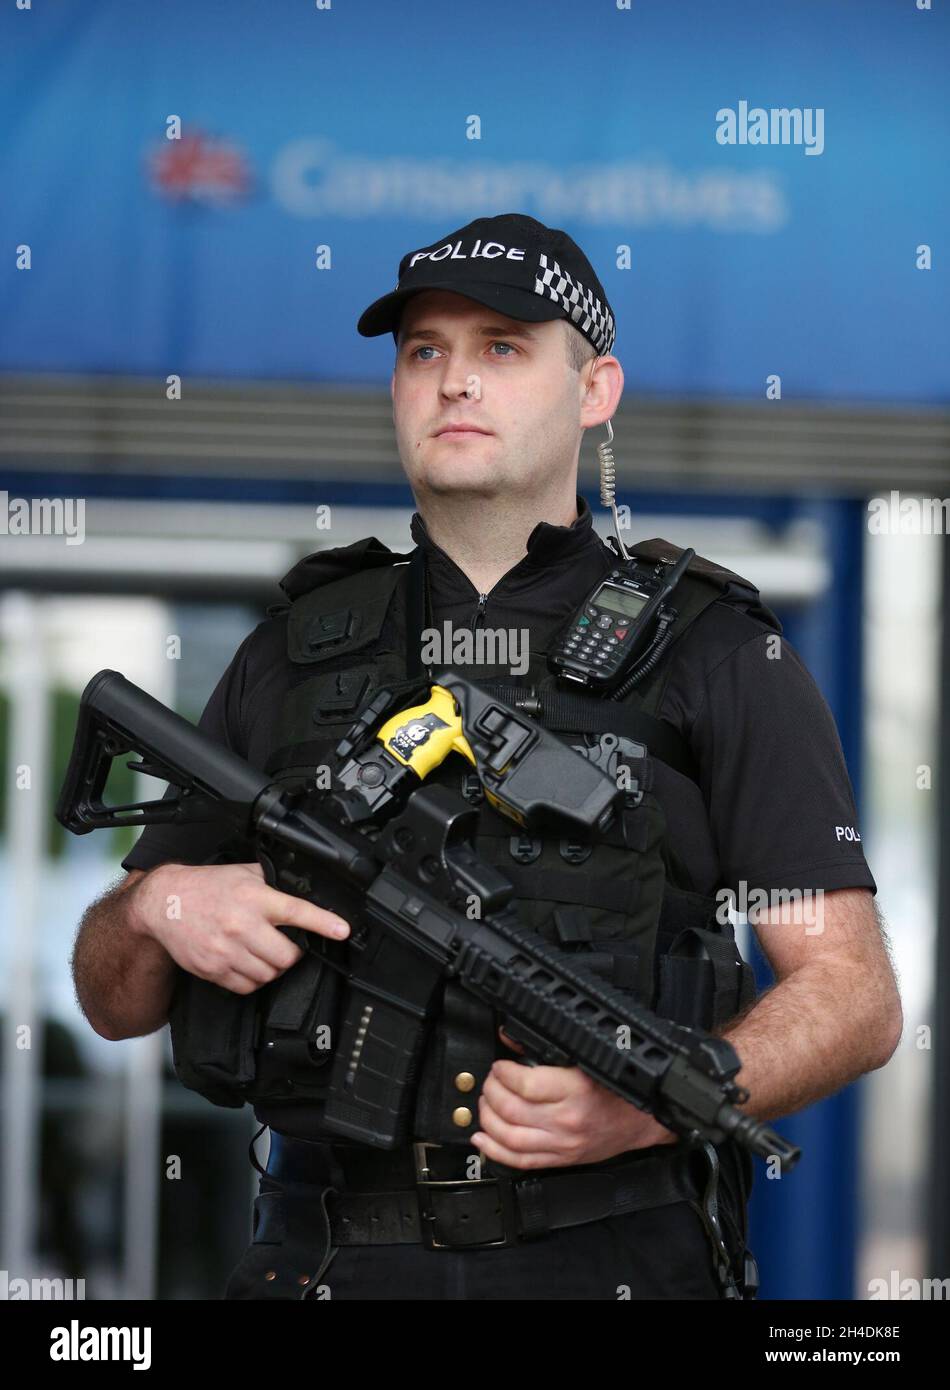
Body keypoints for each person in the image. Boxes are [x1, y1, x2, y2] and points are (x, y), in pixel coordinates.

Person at [71, 212, 902, 1301]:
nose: (454, 381)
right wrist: (156, 908)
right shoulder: (293, 649)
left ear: (594, 387)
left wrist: (660, 1095)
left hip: (612, 1265)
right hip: (321, 1262)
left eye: (501, 347)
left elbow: (852, 993)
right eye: (425, 351)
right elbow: (114, 999)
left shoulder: (715, 651)